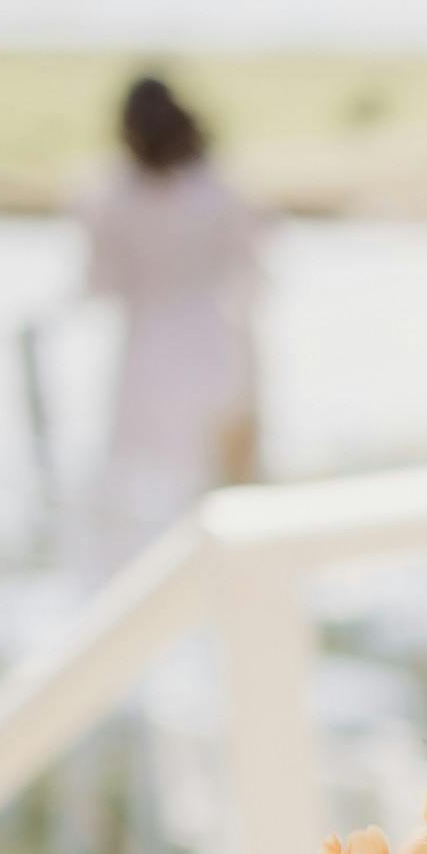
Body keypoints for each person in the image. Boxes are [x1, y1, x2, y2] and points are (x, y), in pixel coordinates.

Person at [77, 74, 263, 558]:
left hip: (147, 354)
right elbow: (253, 272)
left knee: (141, 492)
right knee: (215, 486)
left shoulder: (109, 194)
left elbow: (99, 284)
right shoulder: (217, 187)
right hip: (216, 343)